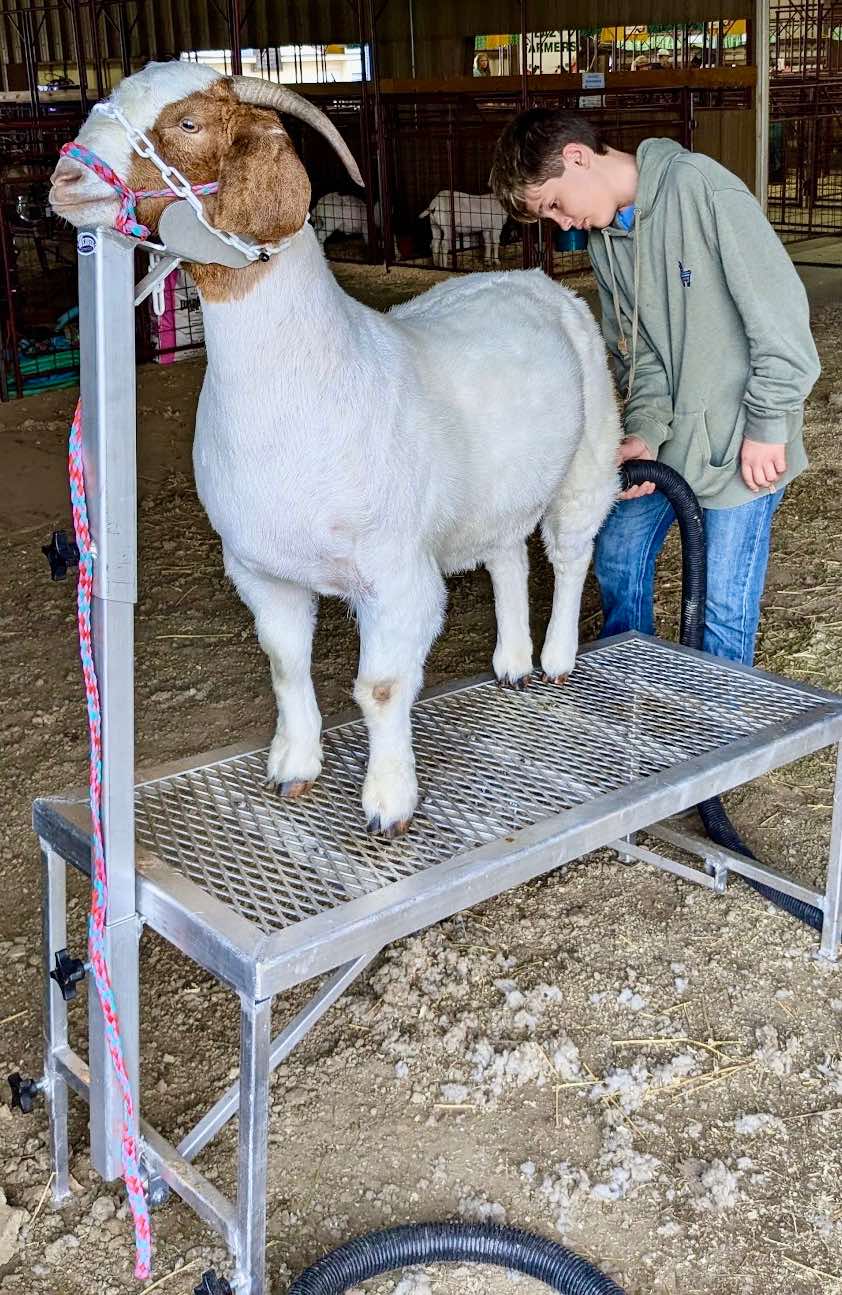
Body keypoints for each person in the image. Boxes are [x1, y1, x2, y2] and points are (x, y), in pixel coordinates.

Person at [489, 109, 820, 665]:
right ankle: (634, 699)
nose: (563, 224)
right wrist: (643, 433)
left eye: (553, 204)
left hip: (741, 443)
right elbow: (637, 358)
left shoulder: (702, 189)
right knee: (618, 553)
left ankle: (721, 733)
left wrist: (769, 425)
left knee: (722, 606)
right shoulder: (606, 238)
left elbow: (783, 324)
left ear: (576, 157)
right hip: (672, 440)